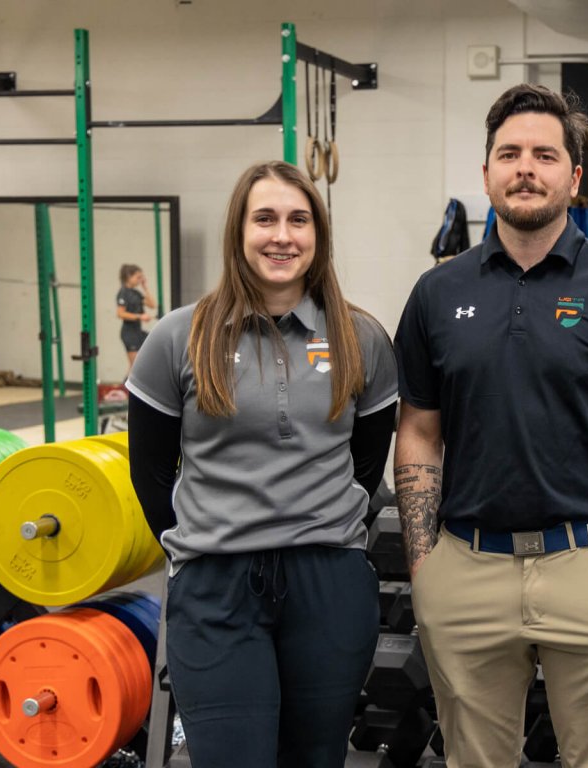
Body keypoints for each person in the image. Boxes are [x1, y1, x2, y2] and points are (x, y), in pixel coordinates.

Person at [393, 84, 588, 768]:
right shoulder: (438, 294)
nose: (525, 168)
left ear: (573, 176)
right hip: (464, 568)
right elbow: (418, 429)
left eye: (543, 154)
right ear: (486, 173)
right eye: (509, 154)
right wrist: (423, 559)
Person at [126, 160, 398, 767]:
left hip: (328, 583)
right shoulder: (179, 338)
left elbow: (367, 463)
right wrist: (198, 549)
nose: (283, 235)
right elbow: (148, 475)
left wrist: (317, 525)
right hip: (215, 587)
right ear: (238, 232)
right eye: (265, 219)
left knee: (316, 757)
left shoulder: (362, 338)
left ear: (318, 235)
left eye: (299, 220)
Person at [116, 263, 157, 376]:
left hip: (138, 331)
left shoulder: (136, 293)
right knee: (134, 367)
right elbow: (120, 313)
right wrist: (139, 316)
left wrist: (145, 287)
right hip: (129, 333)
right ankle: (125, 391)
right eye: (138, 277)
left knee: (145, 360)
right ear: (129, 277)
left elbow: (152, 304)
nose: (140, 280)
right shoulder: (123, 293)